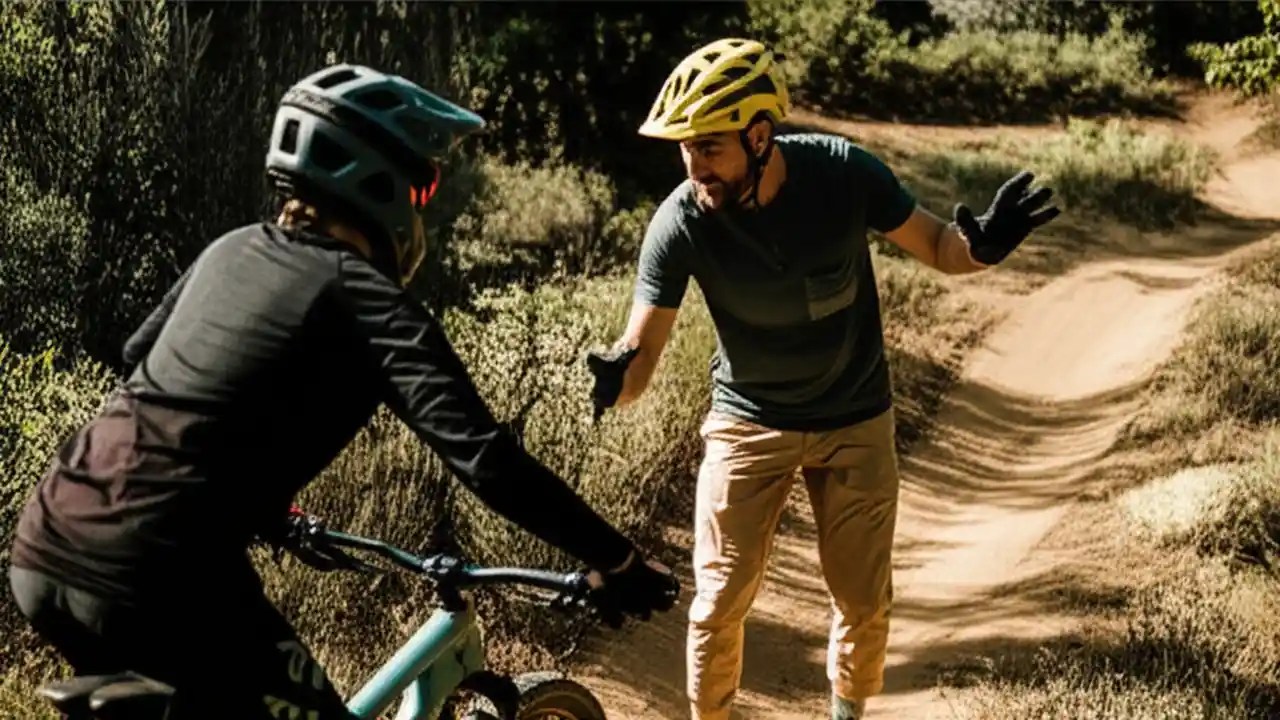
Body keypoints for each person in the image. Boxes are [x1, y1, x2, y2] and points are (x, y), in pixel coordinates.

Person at [8, 63, 679, 720]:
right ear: (381, 183)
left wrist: (263, 507)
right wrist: (615, 558)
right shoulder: (369, 298)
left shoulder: (232, 249)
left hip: (46, 544)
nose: (425, 213)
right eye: (423, 191)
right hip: (159, 574)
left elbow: (145, 368)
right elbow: (487, 460)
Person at [586, 38, 1060, 720]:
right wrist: (616, 378)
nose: (695, 167)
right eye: (684, 149)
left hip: (855, 417)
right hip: (748, 419)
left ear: (758, 135)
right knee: (718, 601)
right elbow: (641, 358)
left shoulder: (842, 174)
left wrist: (982, 245)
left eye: (710, 147)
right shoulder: (680, 221)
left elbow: (938, 247)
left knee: (863, 600)